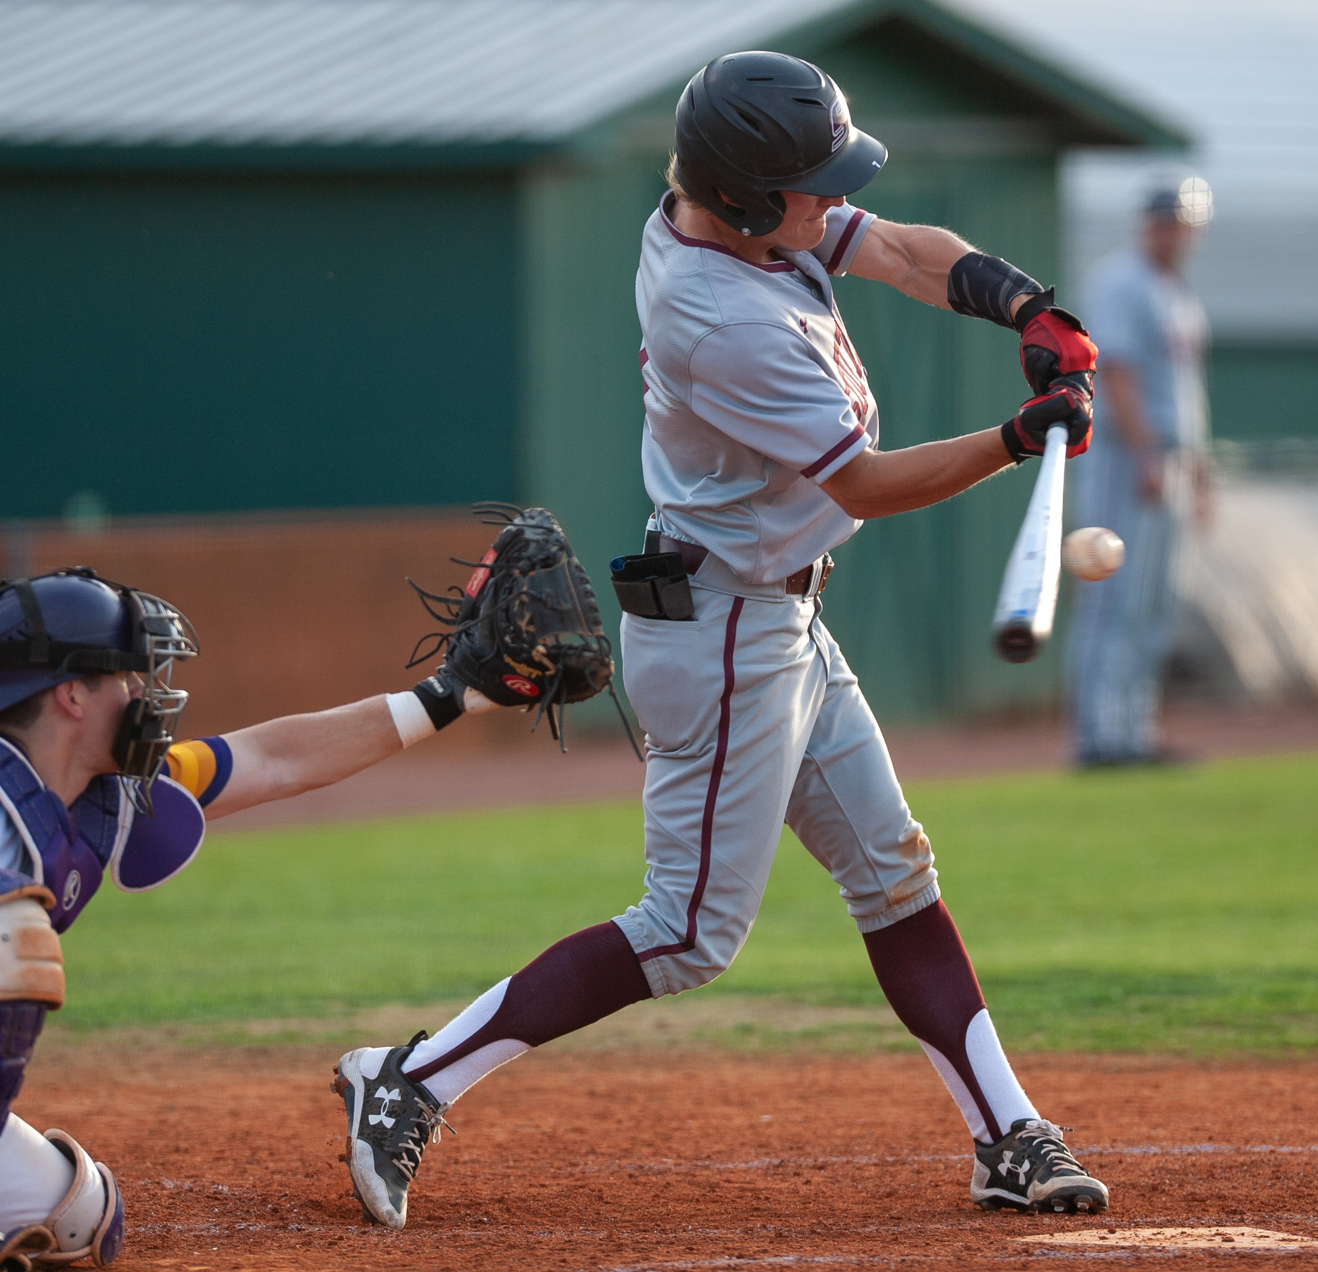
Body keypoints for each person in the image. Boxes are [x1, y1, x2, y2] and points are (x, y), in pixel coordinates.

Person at [333, 50, 1109, 1230]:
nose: (830, 204)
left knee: (892, 873)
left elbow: (906, 253)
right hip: (727, 631)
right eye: (809, 186)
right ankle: (410, 1079)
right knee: (687, 933)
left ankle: (1006, 1134)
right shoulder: (719, 318)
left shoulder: (743, 223)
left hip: (776, 615)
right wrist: (1014, 438)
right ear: (743, 197)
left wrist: (1026, 306)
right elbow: (865, 485)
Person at [0, 567, 500, 1270]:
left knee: (79, 1218)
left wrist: (450, 695)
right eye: (127, 675)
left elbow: (272, 759)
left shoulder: (99, 794)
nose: (142, 692)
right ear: (72, 694)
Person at [1064, 178, 1213, 768]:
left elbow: (1187, 393)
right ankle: (1099, 736)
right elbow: (1118, 372)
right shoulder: (1121, 281)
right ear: (1145, 224)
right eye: (1162, 220)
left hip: (1170, 458)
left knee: (1155, 605)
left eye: (1181, 222)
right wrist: (1148, 454)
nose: (1171, 232)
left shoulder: (1176, 292)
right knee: (1113, 599)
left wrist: (1199, 474)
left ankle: (1134, 730)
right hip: (1125, 459)